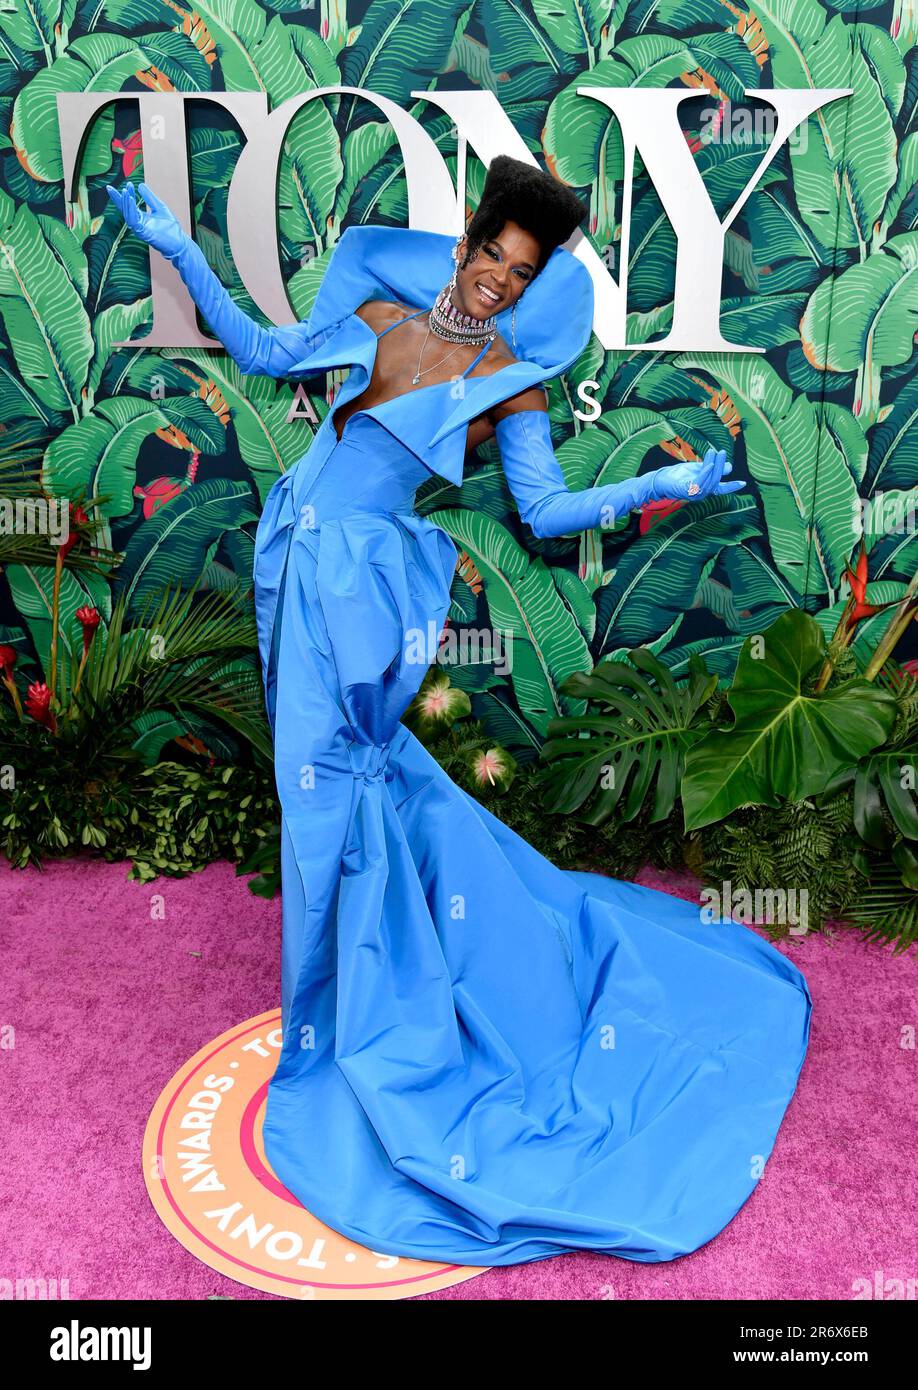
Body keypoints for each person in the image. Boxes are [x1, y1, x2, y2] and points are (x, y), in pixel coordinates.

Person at [107, 156, 810, 1268]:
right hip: (293, 551)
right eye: (492, 256)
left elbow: (543, 506)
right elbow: (262, 350)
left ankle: (338, 1025)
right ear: (465, 245)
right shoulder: (379, 310)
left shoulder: (510, 382)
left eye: (521, 275)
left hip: (364, 591)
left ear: (530, 290)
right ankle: (372, 971)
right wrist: (180, 246)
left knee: (327, 796)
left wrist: (650, 490)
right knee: (336, 796)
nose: (497, 284)